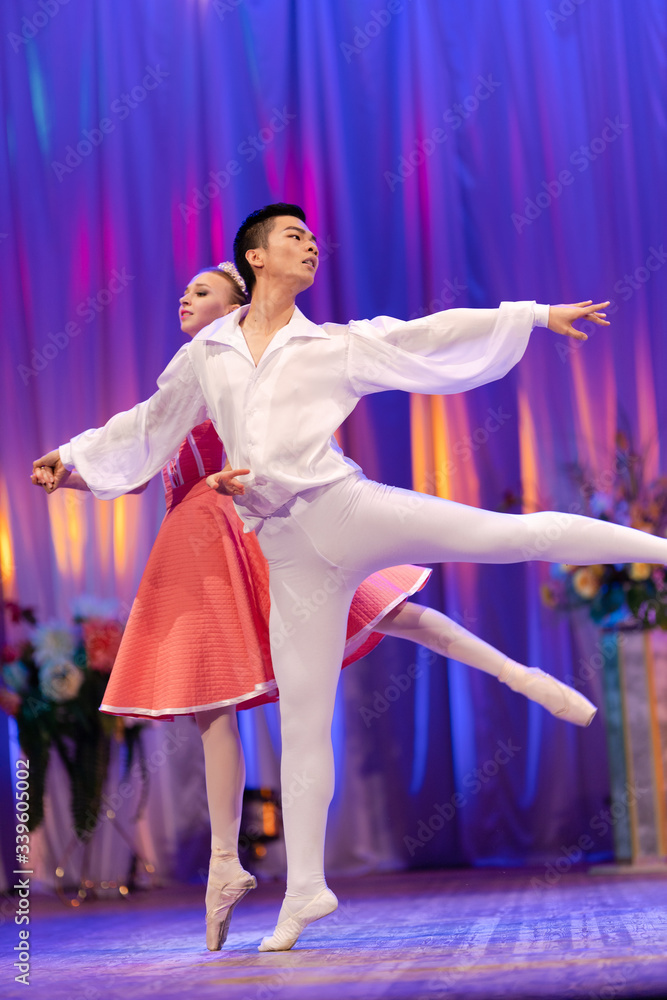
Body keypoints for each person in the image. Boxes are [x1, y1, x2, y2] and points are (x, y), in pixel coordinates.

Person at [33, 203, 651, 954]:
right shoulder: (209, 354)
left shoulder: (330, 346)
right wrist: (71, 460)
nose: (310, 245)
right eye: (294, 236)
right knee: (301, 726)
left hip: (348, 509)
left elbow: (425, 335)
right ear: (255, 258)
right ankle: (304, 891)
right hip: (288, 555)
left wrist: (530, 315)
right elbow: (149, 423)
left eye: (313, 238)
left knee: (509, 536)